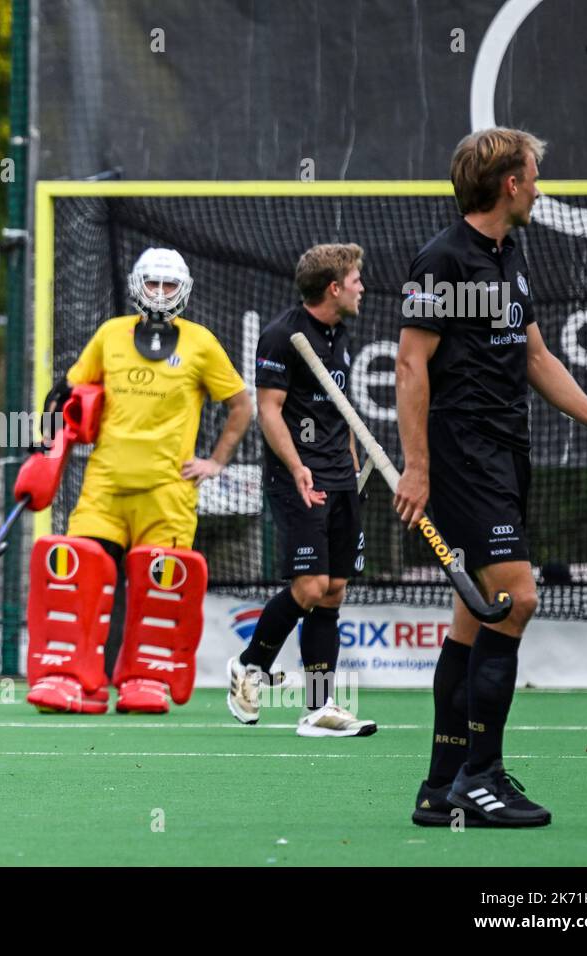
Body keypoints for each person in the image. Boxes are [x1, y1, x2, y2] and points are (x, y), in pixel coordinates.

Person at [398, 128, 587, 827]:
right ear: (509, 183)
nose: (539, 186)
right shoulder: (444, 261)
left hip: (506, 451)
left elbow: (534, 355)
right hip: (464, 455)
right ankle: (481, 775)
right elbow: (411, 367)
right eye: (533, 175)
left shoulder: (508, 257)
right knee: (517, 598)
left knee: (473, 618)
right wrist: (417, 468)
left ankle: (441, 788)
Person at [26, 247, 253, 714]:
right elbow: (68, 395)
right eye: (154, 283)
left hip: (168, 495)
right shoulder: (110, 335)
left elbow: (241, 404)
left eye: (170, 285)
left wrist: (214, 461)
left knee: (159, 591)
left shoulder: (201, 343)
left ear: (184, 289)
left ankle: (145, 681)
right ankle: (72, 680)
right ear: (137, 285)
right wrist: (49, 448)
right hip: (104, 487)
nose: (162, 293)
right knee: (77, 578)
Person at [227, 243, 377, 737]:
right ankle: (250, 666)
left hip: (339, 475)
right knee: (309, 586)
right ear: (333, 287)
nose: (361, 287)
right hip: (297, 477)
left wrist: (352, 462)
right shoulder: (281, 335)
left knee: (332, 592)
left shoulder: (341, 335)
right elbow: (269, 410)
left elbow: (339, 405)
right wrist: (296, 467)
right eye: (355, 279)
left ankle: (319, 706)